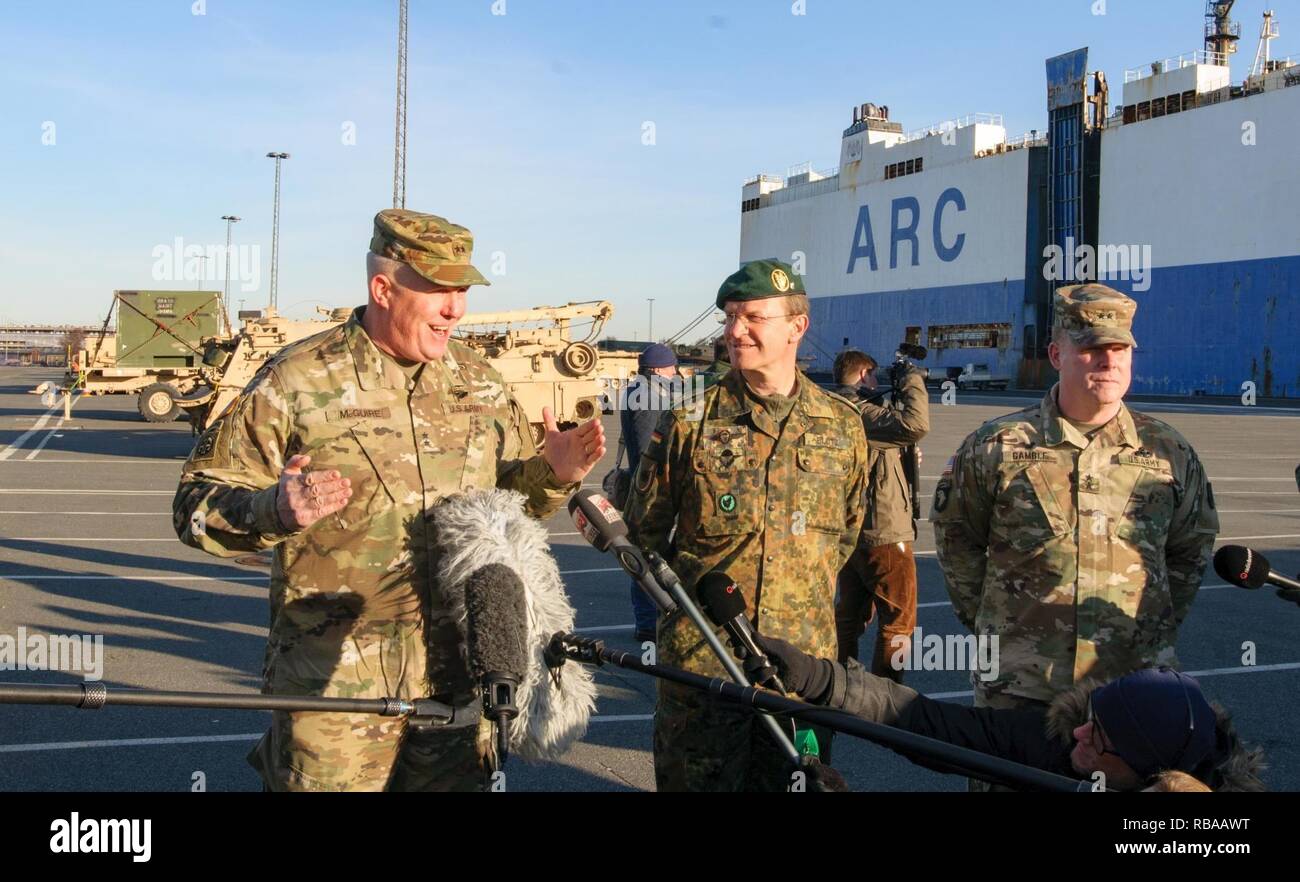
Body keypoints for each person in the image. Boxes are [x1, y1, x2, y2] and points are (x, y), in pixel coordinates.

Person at [172, 209, 605, 791]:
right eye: (439, 291)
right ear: (383, 289)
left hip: (460, 686)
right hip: (337, 692)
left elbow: (507, 517)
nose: (455, 309)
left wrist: (552, 473)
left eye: (462, 292)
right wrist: (274, 509)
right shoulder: (297, 380)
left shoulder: (480, 382)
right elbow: (193, 508)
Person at [623, 258, 868, 791]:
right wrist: (682, 619)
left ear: (797, 326)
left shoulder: (844, 426)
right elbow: (643, 536)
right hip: (704, 672)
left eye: (753, 317)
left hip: (801, 671)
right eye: (730, 316)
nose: (735, 331)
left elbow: (846, 535)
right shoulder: (688, 421)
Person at [932, 283, 1219, 720]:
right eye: (1091, 348)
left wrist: (1150, 629)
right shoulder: (996, 446)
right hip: (1022, 687)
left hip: (1134, 684)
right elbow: (957, 542)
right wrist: (1002, 628)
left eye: (1120, 349)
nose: (1109, 361)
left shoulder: (1168, 452)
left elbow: (1190, 550)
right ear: (1055, 355)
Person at [749, 633, 1265, 792]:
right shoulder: (1063, 742)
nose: (1080, 733)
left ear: (1152, 771)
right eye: (1092, 717)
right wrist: (820, 679)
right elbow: (932, 726)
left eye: (1101, 737)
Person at [831, 349, 929, 681]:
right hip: (883, 530)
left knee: (849, 617)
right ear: (863, 374)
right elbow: (916, 424)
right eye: (874, 374)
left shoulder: (837, 408)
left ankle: (837, 685)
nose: (878, 381)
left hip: (853, 531)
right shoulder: (861, 410)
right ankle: (887, 693)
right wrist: (912, 380)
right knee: (899, 623)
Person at [620, 342, 680, 643]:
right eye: (671, 367)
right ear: (657, 369)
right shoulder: (646, 396)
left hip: (649, 489)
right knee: (647, 557)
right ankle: (647, 624)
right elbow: (647, 450)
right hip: (649, 493)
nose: (675, 372)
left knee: (651, 556)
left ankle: (651, 620)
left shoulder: (643, 391)